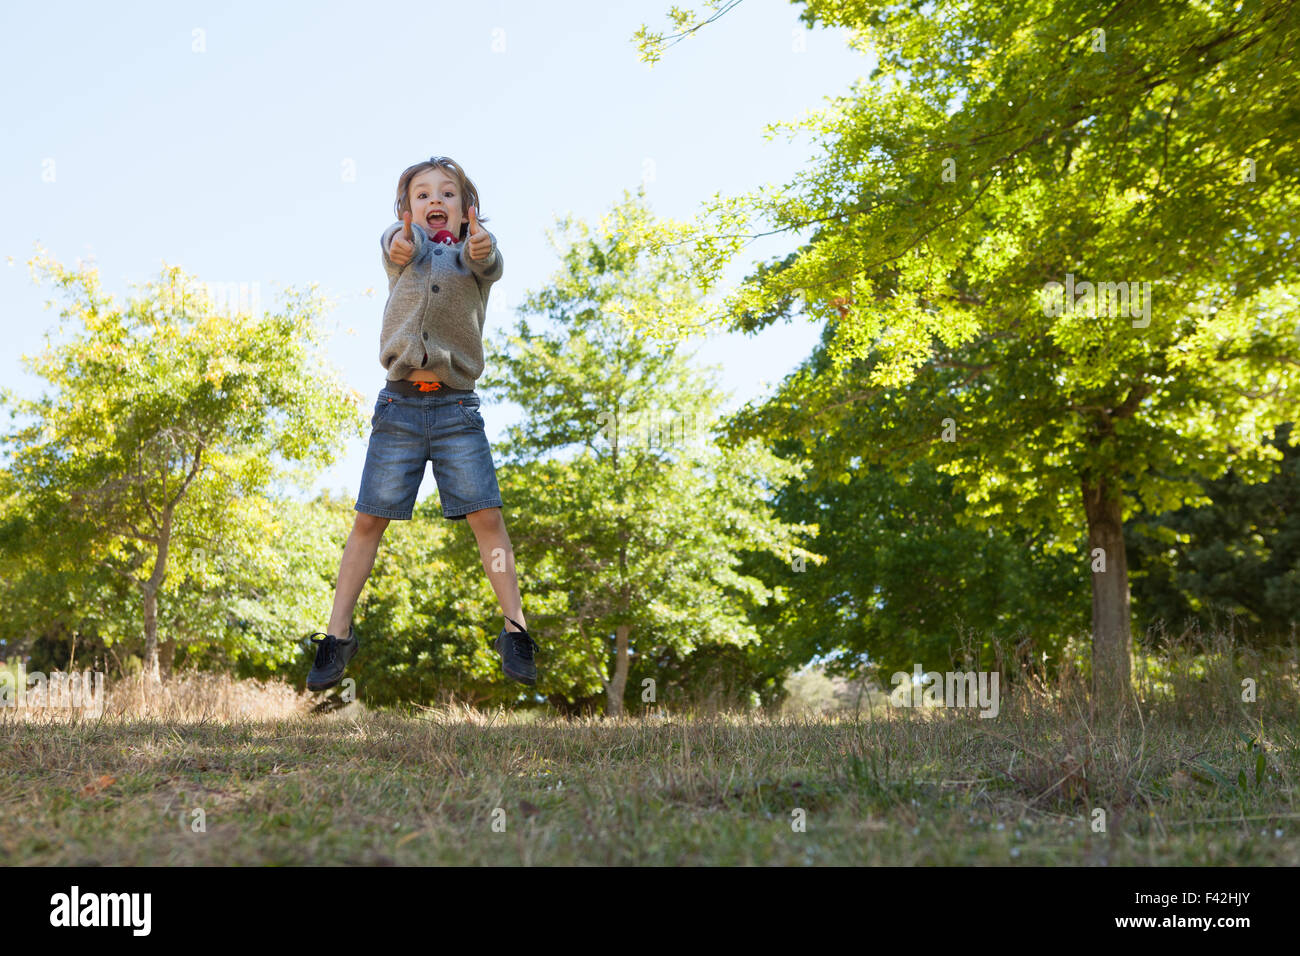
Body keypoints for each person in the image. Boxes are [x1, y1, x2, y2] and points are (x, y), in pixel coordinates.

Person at [306, 156, 537, 693]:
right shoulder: (400, 252)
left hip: (457, 411)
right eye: (422, 195)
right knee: (368, 521)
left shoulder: (475, 256)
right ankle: (337, 635)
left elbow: (490, 258)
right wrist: (399, 240)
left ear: (467, 211)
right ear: (406, 210)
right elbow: (393, 243)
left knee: (487, 518)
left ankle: (516, 629)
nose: (436, 201)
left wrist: (482, 244)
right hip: (400, 410)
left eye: (448, 194)